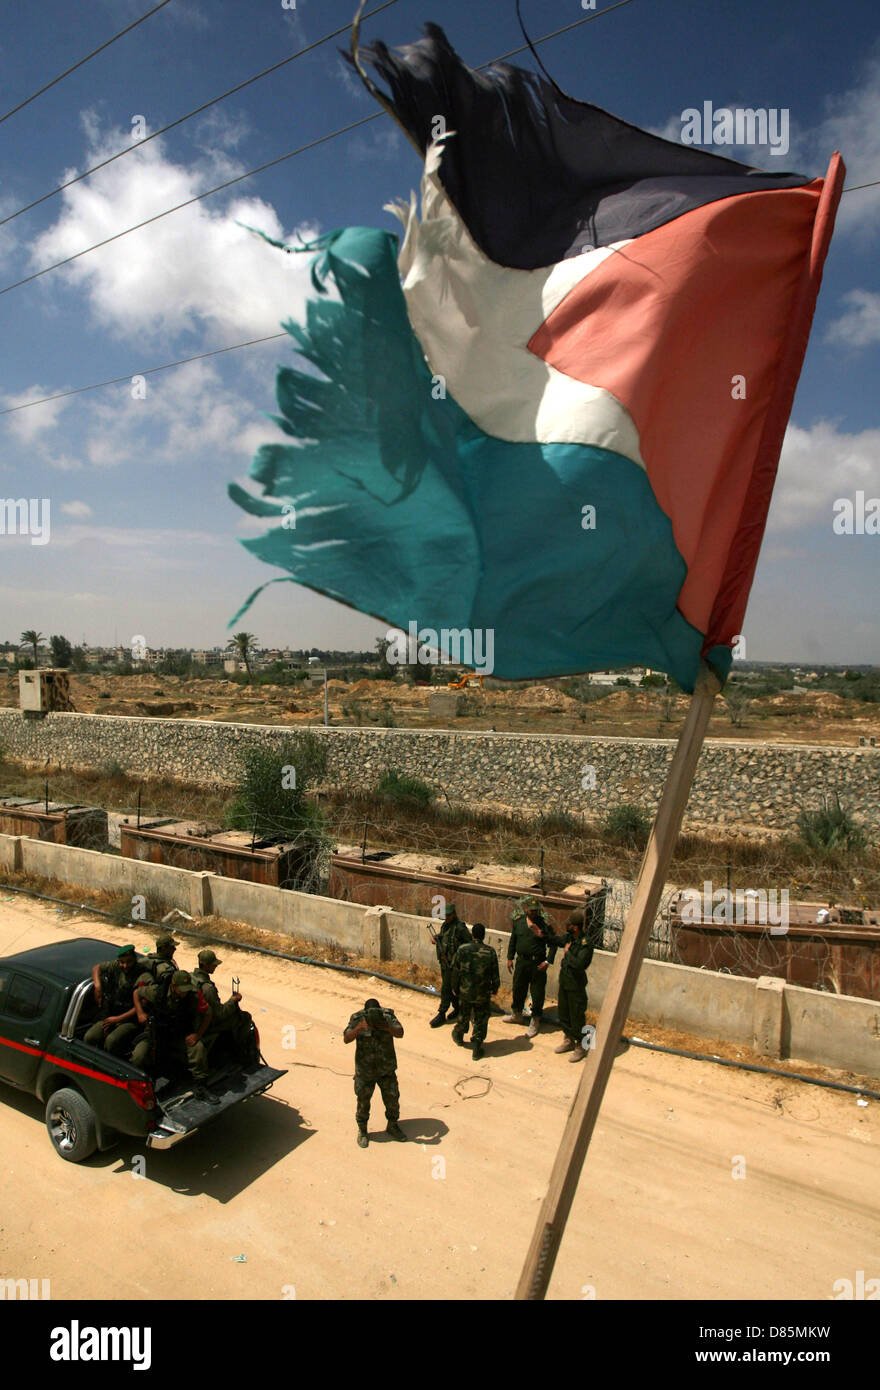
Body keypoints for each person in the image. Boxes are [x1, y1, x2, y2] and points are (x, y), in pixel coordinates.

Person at [343, 997, 406, 1148]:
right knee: (363, 1102)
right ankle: (363, 1130)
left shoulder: (388, 1017)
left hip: (386, 1069)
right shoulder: (357, 1018)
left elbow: (400, 1033)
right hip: (365, 1071)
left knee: (392, 1100)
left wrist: (386, 1027)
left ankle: (392, 1125)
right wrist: (359, 1028)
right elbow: (346, 1038)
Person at [130, 970, 212, 1083]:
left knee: (198, 1049)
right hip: (157, 1034)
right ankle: (139, 1082)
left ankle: (200, 1084)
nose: (185, 993)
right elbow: (136, 993)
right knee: (138, 1056)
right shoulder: (157, 992)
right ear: (173, 986)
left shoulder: (193, 995)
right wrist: (140, 1013)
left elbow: (208, 1013)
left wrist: (197, 1035)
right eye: (182, 990)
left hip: (180, 1033)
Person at [502, 896, 558, 1038]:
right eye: (531, 910)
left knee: (537, 992)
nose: (533, 913)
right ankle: (517, 1014)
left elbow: (553, 943)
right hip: (522, 962)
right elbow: (513, 940)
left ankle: (535, 1020)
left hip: (537, 964)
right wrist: (510, 957)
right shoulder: (519, 922)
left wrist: (547, 962)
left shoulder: (543, 925)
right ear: (526, 910)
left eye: (536, 910)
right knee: (518, 988)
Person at [545, 908, 595, 1062]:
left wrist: (568, 953)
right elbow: (557, 940)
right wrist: (542, 934)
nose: (567, 925)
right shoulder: (570, 938)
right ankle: (568, 1040)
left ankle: (581, 1045)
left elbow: (580, 964)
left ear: (576, 926)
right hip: (565, 982)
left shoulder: (586, 944)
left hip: (576, 985)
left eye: (570, 924)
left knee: (577, 1015)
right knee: (564, 1013)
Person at [191, 948, 256, 1064]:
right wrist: (233, 1000)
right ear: (205, 965)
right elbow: (220, 1014)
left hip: (194, 1020)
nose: (215, 967)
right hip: (206, 1025)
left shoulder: (191, 978)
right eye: (213, 965)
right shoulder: (207, 988)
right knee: (244, 1018)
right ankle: (240, 1056)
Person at [84, 944, 146, 1056]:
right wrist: (98, 986)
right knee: (90, 1037)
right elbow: (97, 968)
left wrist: (117, 1019)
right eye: (122, 962)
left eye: (129, 962)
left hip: (129, 1018)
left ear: (135, 959)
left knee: (112, 1041)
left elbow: (140, 1006)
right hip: (112, 1013)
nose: (125, 965)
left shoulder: (142, 974)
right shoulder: (116, 966)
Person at [450, 923, 500, 1060]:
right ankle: (477, 1048)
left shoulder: (462, 949)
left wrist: (454, 987)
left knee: (463, 1015)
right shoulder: (490, 952)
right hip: (482, 993)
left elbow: (455, 970)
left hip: (465, 992)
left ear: (472, 934)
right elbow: (495, 973)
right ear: (484, 936)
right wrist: (495, 988)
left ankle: (459, 1036)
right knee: (481, 1019)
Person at [428, 903, 472, 1027]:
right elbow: (443, 937)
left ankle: (442, 1013)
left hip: (454, 966)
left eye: (448, 915)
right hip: (445, 963)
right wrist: (436, 939)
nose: (446, 917)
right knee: (453, 989)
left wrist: (459, 957)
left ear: (454, 914)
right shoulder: (445, 925)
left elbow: (469, 944)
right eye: (445, 915)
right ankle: (457, 1008)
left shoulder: (460, 928)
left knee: (446, 988)